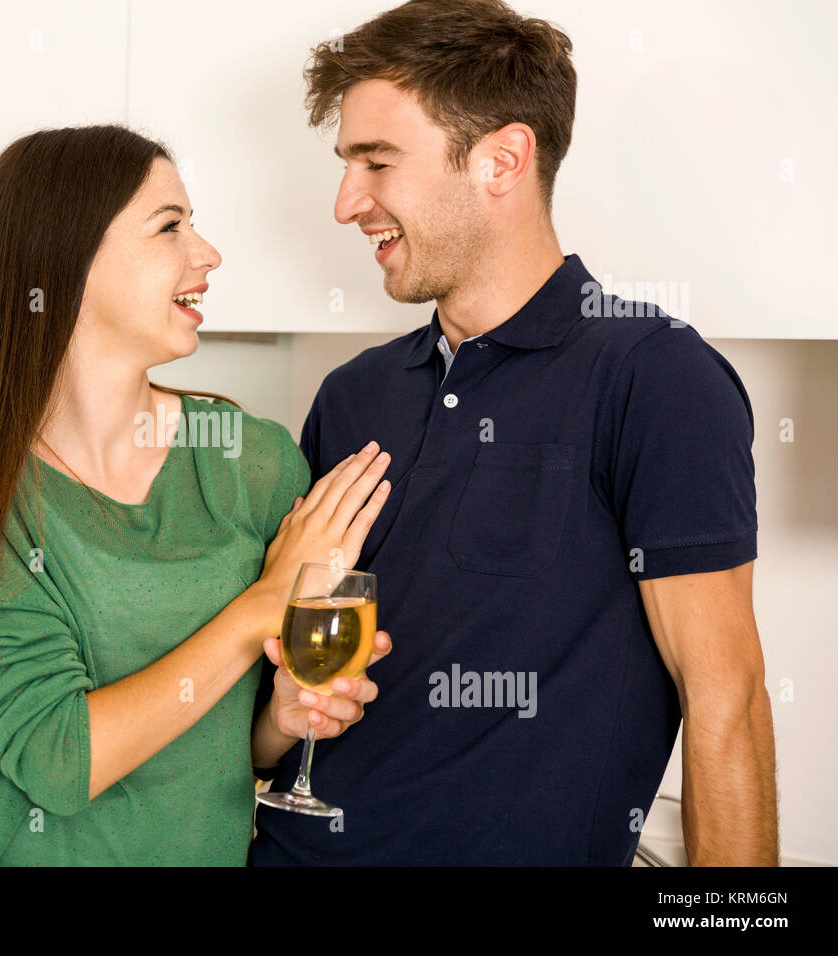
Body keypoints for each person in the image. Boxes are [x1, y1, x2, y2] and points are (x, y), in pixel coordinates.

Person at [250, 0, 778, 865]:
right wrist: (276, 719)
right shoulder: (354, 395)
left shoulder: (654, 375)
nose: (348, 204)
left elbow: (728, 699)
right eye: (348, 165)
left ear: (503, 158)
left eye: (377, 161)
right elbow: (268, 712)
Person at [0, 124, 395, 865]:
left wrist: (288, 715)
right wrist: (258, 608)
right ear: (66, 259)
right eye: (170, 227)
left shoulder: (249, 462)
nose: (206, 254)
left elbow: (234, 739)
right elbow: (60, 761)